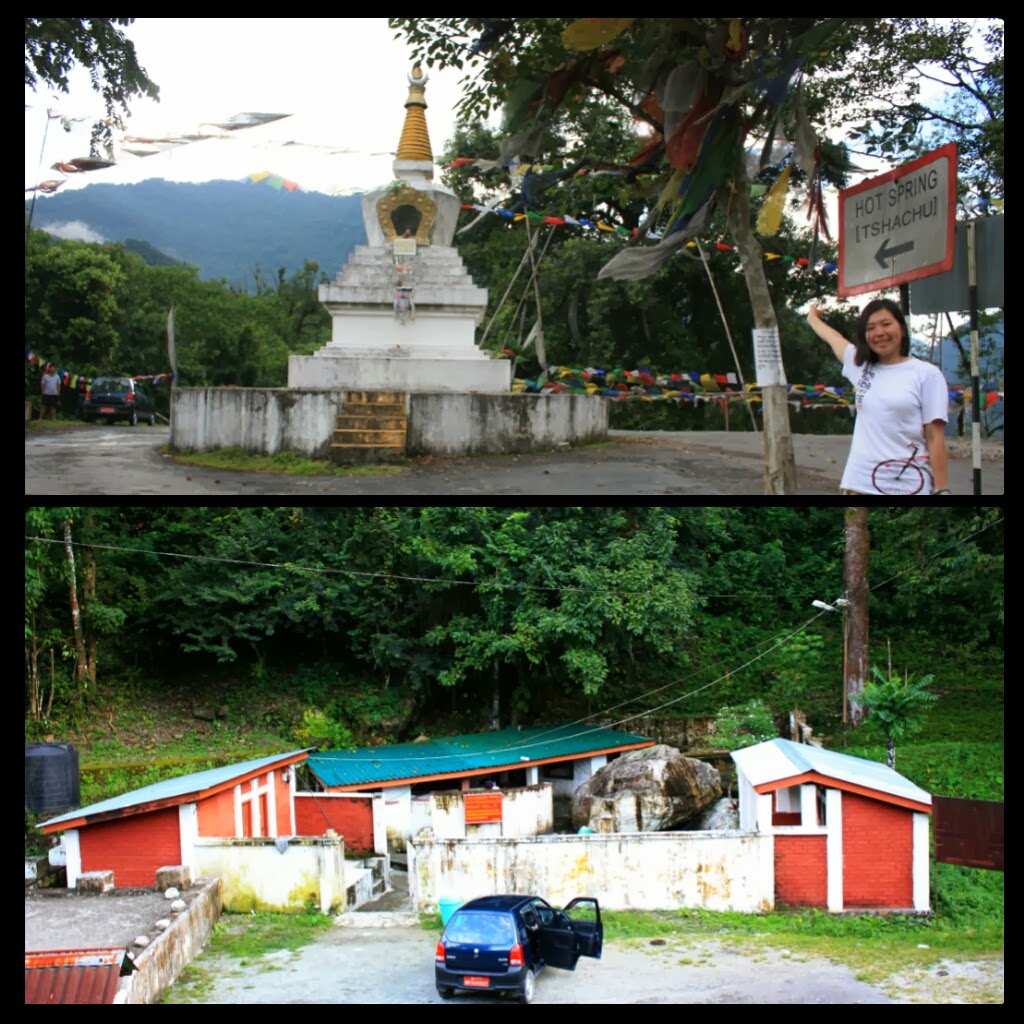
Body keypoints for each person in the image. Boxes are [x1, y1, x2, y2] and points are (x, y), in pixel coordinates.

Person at [807, 299, 950, 495]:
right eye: (871, 328)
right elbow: (834, 338)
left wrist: (942, 489)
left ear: (901, 328)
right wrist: (812, 318)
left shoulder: (926, 374)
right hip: (857, 484)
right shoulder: (860, 366)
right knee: (852, 528)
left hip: (911, 485)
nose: (879, 333)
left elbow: (935, 436)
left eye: (886, 324)